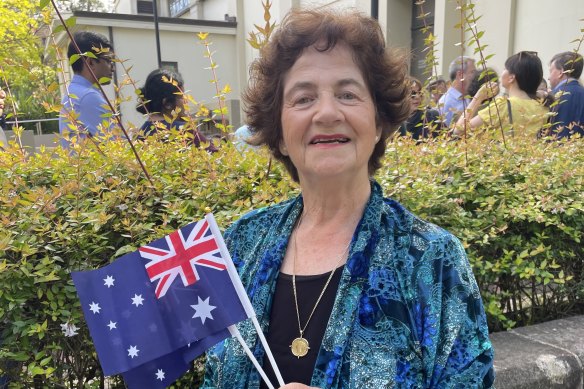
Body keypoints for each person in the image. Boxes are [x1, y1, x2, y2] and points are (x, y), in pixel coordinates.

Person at [203, 8, 494, 389]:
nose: (326, 112)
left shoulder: (431, 260)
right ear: (278, 134)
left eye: (347, 93)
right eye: (303, 98)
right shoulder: (240, 244)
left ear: (378, 123)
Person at [453, 51, 549, 139]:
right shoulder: (543, 107)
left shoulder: (503, 105)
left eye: (504, 69)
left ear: (511, 78)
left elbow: (459, 130)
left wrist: (478, 98)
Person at [59, 31, 117, 149]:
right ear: (90, 62)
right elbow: (118, 146)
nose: (113, 68)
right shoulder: (88, 97)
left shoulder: (75, 92)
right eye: (108, 60)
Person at [136, 68, 217, 151]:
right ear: (167, 103)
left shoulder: (141, 134)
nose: (186, 101)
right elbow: (215, 156)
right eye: (182, 97)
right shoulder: (183, 130)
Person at [546, 51, 584, 138]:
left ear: (561, 72)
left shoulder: (553, 97)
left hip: (554, 149)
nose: (548, 77)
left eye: (551, 71)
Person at [438, 56, 477, 127]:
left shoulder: (471, 97)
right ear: (460, 75)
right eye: (472, 72)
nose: (476, 76)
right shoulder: (445, 104)